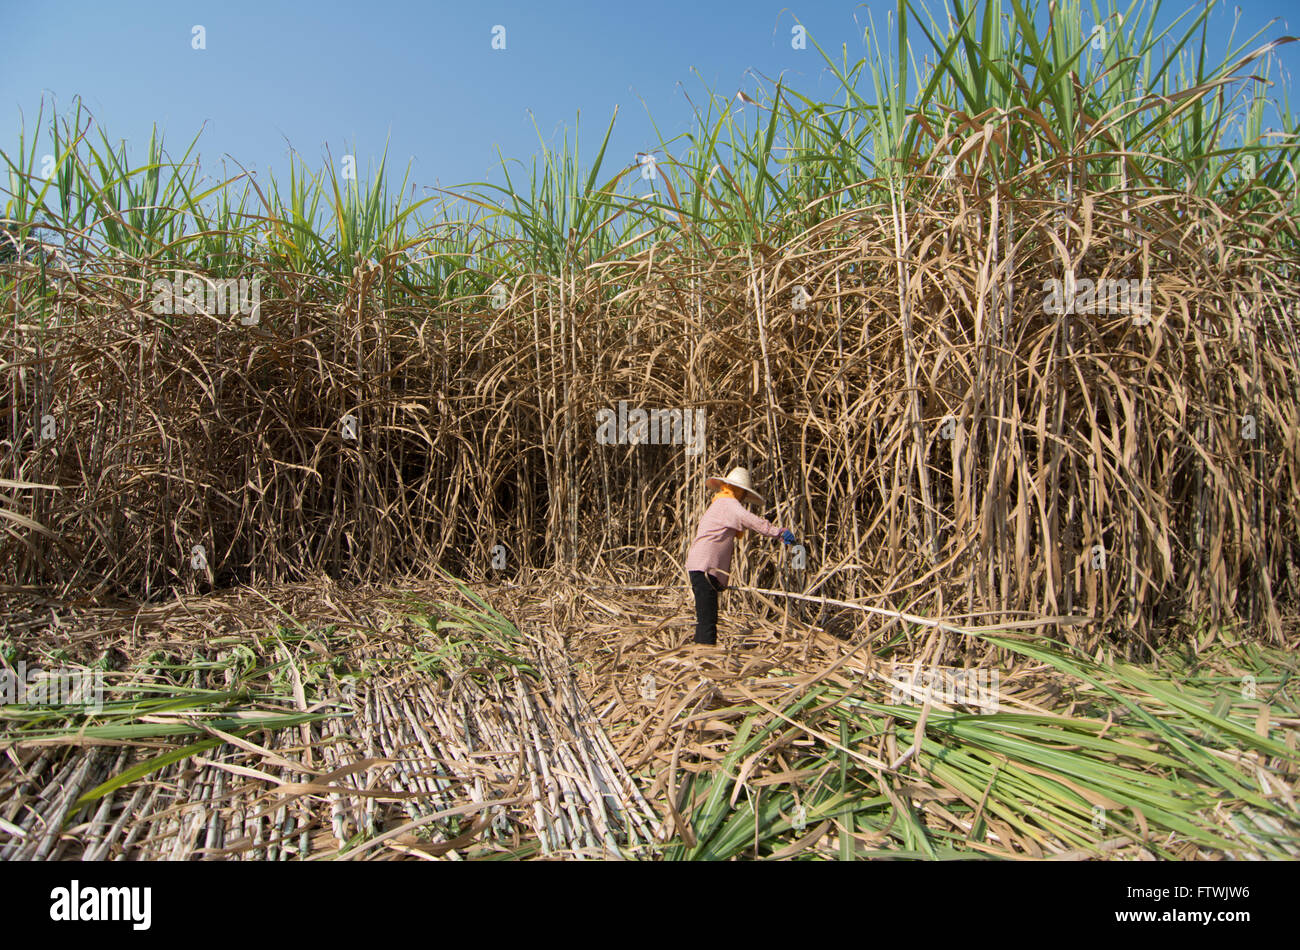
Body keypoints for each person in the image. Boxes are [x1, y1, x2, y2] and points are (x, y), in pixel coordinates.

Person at [683, 466, 796, 646]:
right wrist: (778, 532)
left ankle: (701, 654)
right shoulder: (729, 504)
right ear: (740, 490)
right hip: (704, 566)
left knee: (706, 615)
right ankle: (704, 658)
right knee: (707, 619)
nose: (743, 497)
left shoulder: (719, 502)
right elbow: (752, 521)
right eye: (743, 493)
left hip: (700, 565)